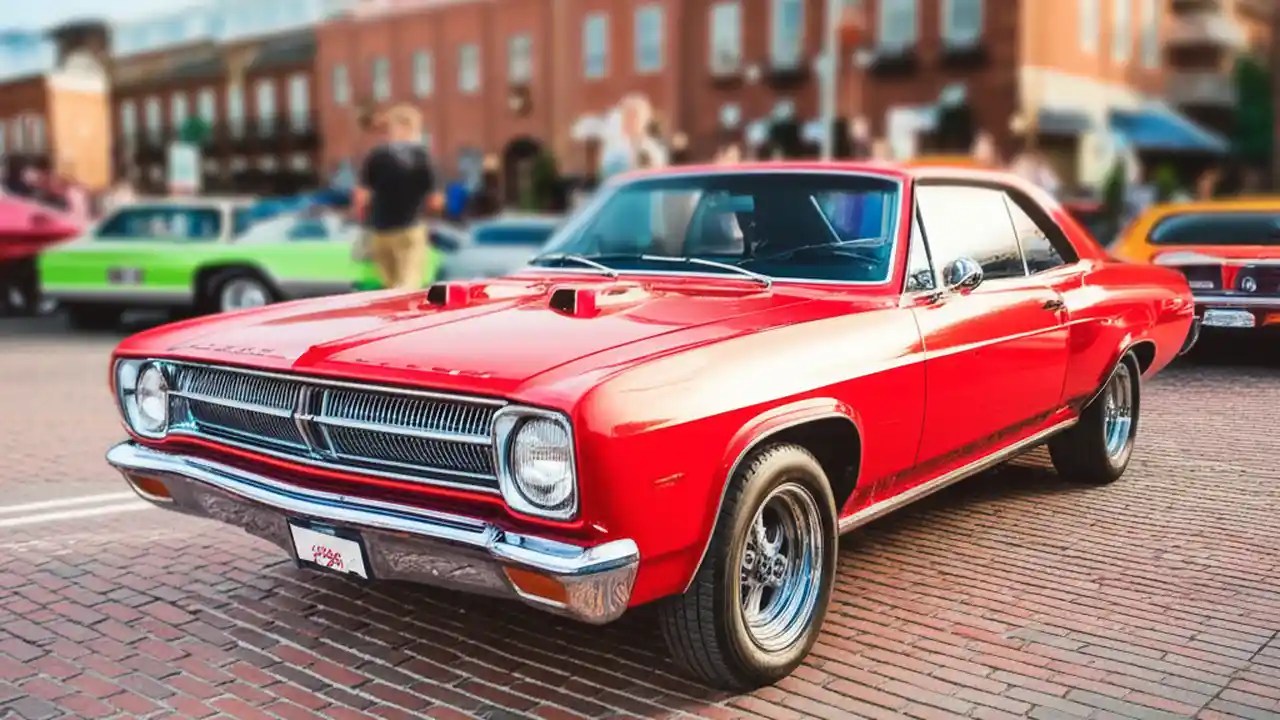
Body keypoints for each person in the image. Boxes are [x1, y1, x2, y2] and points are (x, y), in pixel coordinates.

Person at [353, 104, 436, 292]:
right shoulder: (420, 156)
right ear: (410, 128)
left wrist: (366, 219)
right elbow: (435, 200)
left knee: (390, 289)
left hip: (380, 232)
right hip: (409, 228)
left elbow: (361, 198)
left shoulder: (376, 156)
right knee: (409, 285)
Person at [598, 94, 668, 181]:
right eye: (626, 116)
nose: (629, 121)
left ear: (645, 120)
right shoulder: (612, 148)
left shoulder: (650, 151)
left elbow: (654, 179)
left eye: (634, 116)